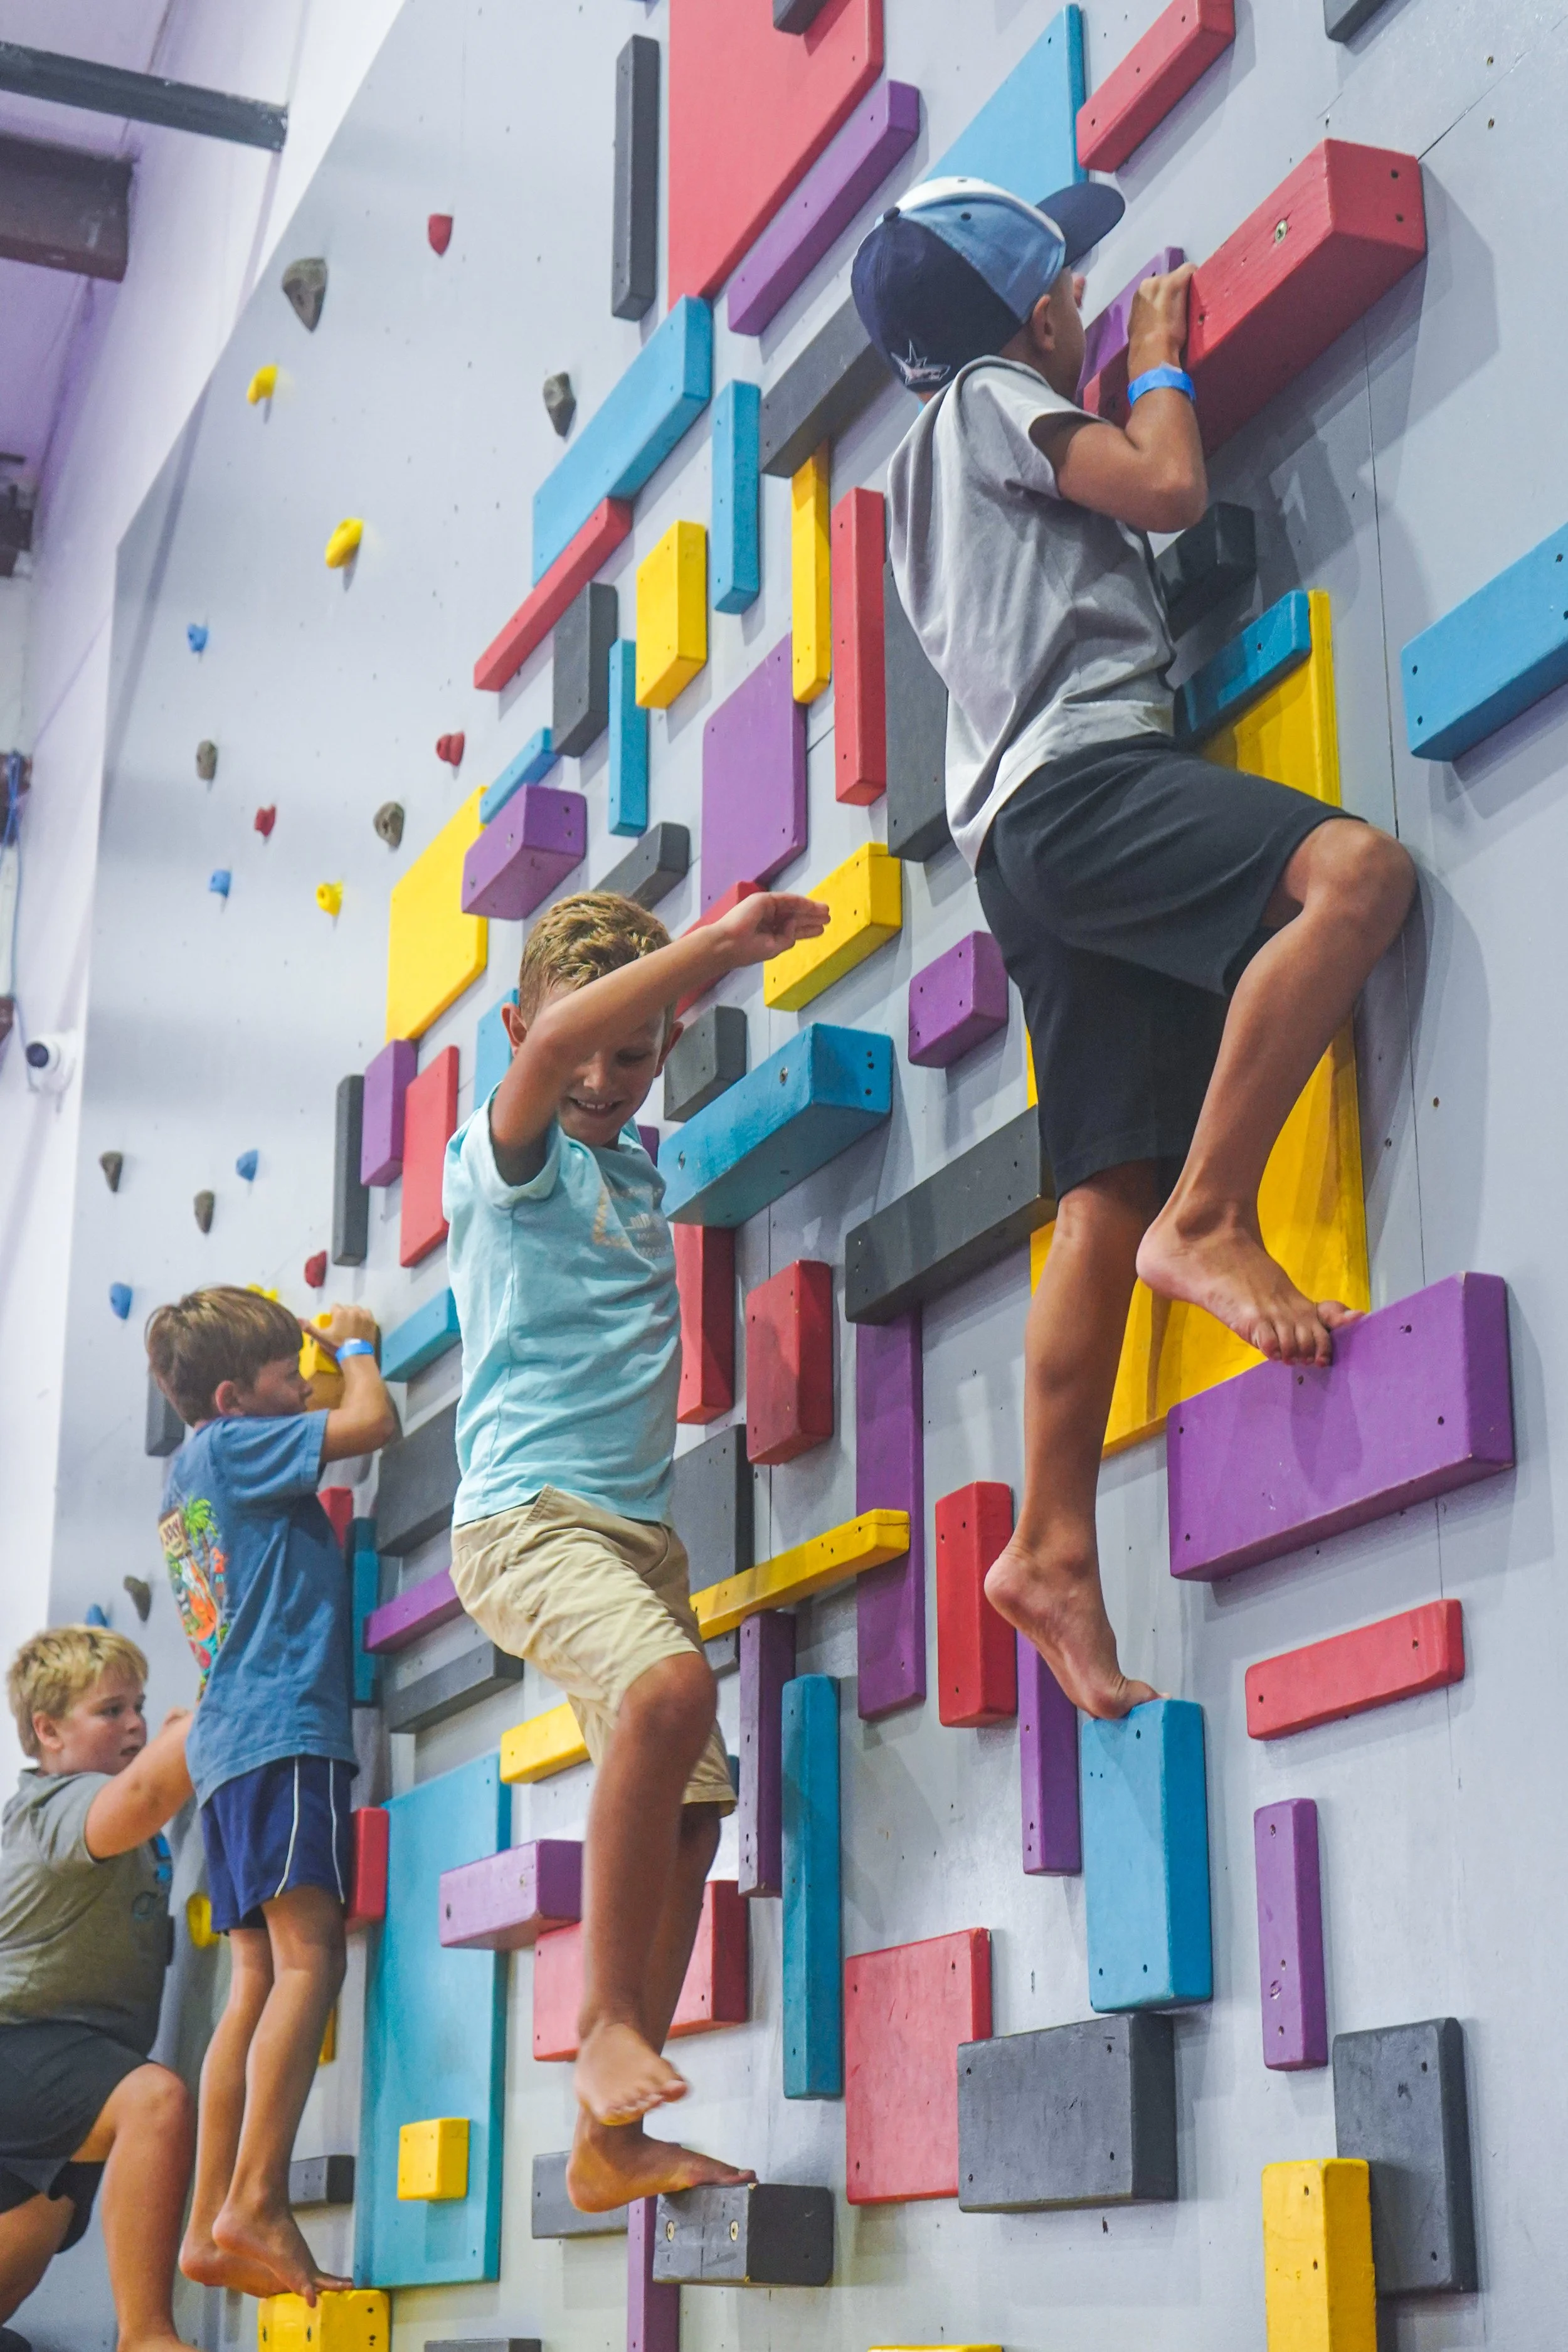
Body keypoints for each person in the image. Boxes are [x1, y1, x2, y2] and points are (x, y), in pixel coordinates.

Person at [852, 178, 1417, 1720]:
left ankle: (1045, 1540)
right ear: (1034, 313)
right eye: (1075, 288)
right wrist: (1160, 365)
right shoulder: (991, 400)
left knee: (1099, 1189)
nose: (1091, 303)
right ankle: (1215, 1212)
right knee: (1354, 880)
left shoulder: (913, 467)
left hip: (1016, 849)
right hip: (1081, 781)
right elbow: (1164, 490)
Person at [444, 888, 826, 2212]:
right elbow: (553, 1069)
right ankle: (604, 2022)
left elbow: (586, 1056)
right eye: (583, 1049)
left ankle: (608, 2149)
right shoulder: (510, 1154)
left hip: (631, 1537)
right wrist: (713, 951)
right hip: (525, 1521)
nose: (607, 1078)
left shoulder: (630, 1166)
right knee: (670, 1692)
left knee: (690, 1816)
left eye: (638, 1052)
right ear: (518, 1032)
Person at [146, 1286, 399, 2302]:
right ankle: (254, 2196)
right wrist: (356, 1346)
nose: (303, 1381)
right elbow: (369, 1420)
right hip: (281, 1732)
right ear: (227, 1396)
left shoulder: (187, 1473)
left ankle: (211, 2223)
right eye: (283, 1373)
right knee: (313, 1958)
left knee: (253, 1977)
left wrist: (308, 1359)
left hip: (228, 1748)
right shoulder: (231, 1444)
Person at [0, 1626, 197, 2352]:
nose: (135, 1723)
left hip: (65, 2054)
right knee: (156, 2102)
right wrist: (223, 1693)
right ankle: (146, 2337)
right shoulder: (53, 1806)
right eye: (110, 1710)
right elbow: (146, 1793)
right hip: (23, 2042)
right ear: (47, 1731)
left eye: (138, 1706)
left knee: (22, 2256)